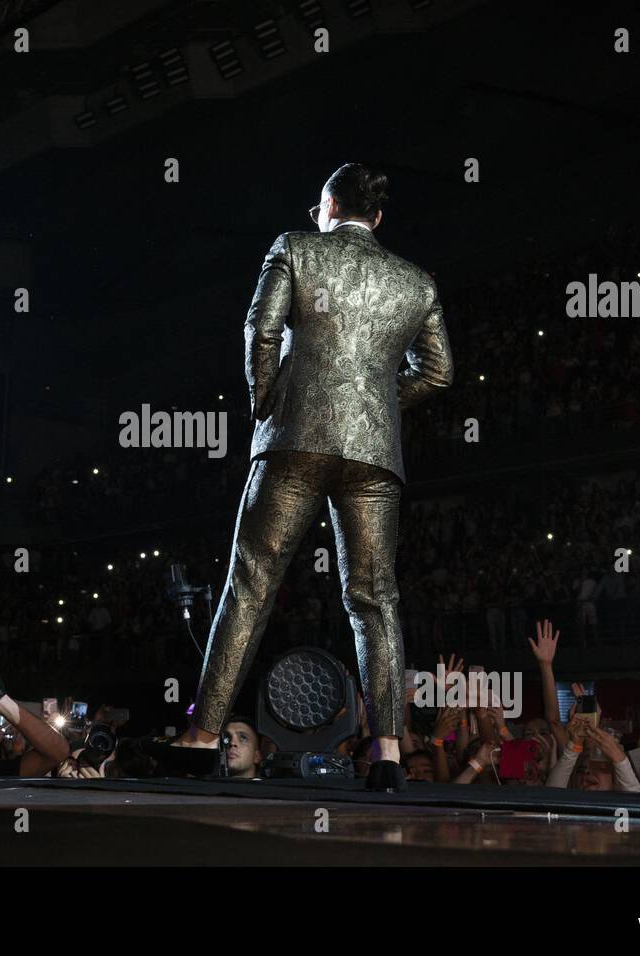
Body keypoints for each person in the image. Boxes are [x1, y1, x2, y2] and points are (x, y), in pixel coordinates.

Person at [170, 163, 454, 793]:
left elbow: (260, 328)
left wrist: (268, 399)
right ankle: (387, 753)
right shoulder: (416, 281)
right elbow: (438, 374)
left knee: (252, 581)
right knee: (375, 597)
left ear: (327, 205)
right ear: (377, 218)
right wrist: (374, 405)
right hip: (374, 452)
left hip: (295, 439)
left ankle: (201, 736)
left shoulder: (294, 247)